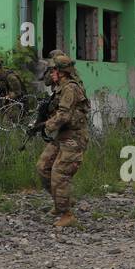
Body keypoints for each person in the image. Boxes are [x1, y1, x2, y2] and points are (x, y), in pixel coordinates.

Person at [35, 55, 89, 227]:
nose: (51, 74)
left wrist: (45, 126)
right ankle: (61, 203)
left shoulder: (70, 88)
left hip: (73, 137)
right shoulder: (60, 87)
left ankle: (67, 214)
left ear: (61, 72)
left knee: (59, 173)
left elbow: (64, 116)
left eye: (53, 70)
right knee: (43, 167)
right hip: (62, 135)